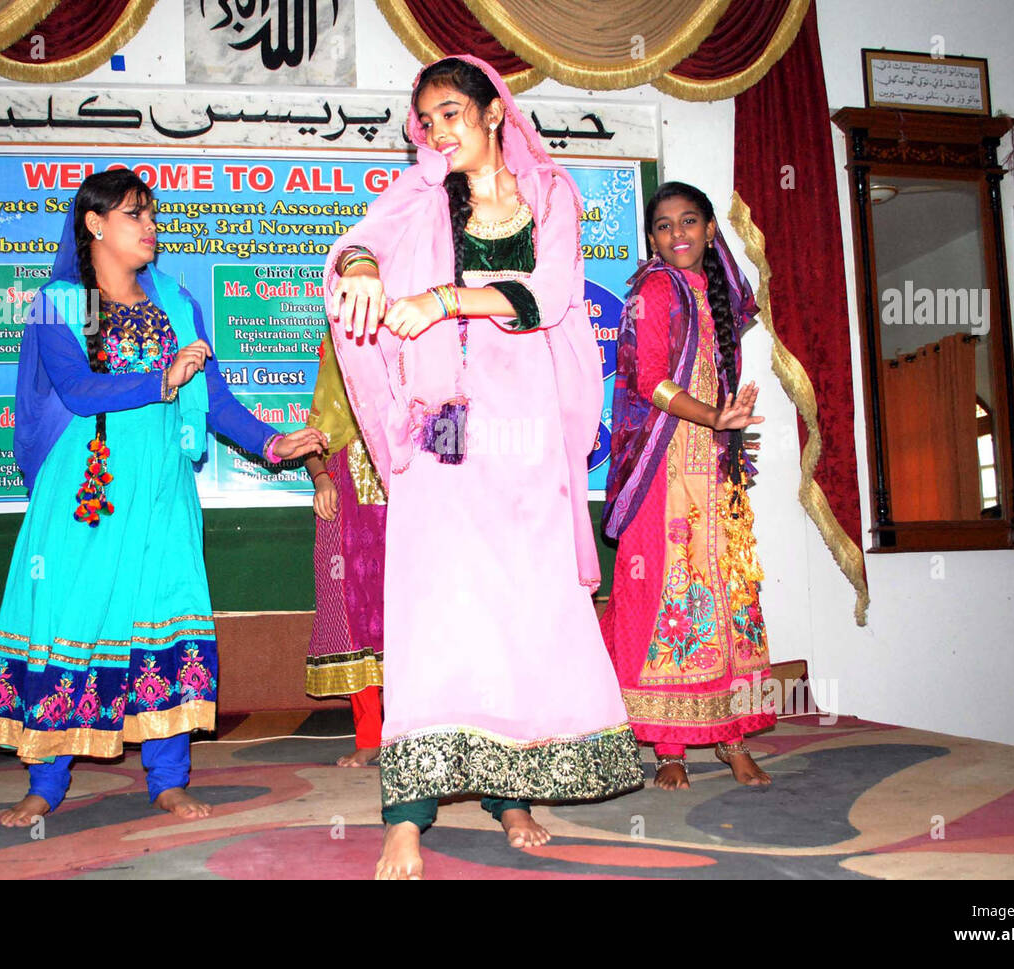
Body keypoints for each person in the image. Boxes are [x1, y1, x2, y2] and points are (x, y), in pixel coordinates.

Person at [324, 55, 644, 879]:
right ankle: (407, 813)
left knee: (522, 598)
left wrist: (441, 298)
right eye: (424, 121)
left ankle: (515, 789)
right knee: (432, 600)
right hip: (445, 423)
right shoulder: (422, 195)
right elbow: (361, 241)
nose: (435, 132)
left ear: (493, 113)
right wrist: (361, 267)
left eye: (449, 114)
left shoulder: (551, 195)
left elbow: (550, 294)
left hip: (528, 423)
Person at [0, 170, 326, 826]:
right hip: (90, 492)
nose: (150, 227)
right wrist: (161, 379)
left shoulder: (173, 301)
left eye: (153, 215)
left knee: (166, 615)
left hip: (162, 492)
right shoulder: (59, 302)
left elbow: (212, 399)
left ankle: (167, 777)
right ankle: (45, 780)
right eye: (136, 214)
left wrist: (276, 444)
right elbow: (77, 390)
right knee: (71, 617)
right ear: (94, 223)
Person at [600, 181, 776, 792]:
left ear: (708, 231)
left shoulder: (720, 294)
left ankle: (730, 738)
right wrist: (711, 418)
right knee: (669, 601)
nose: (678, 234)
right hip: (664, 468)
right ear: (651, 238)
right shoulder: (654, 289)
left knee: (727, 597)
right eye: (665, 225)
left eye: (690, 221)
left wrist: (725, 433)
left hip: (717, 472)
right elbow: (649, 381)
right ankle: (668, 747)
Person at [303, 332, 386, 768]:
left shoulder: (416, 346)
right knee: (352, 612)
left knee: (415, 612)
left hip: (410, 490)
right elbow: (314, 443)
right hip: (346, 499)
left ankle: (417, 731)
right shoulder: (338, 346)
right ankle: (369, 735)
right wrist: (320, 479)